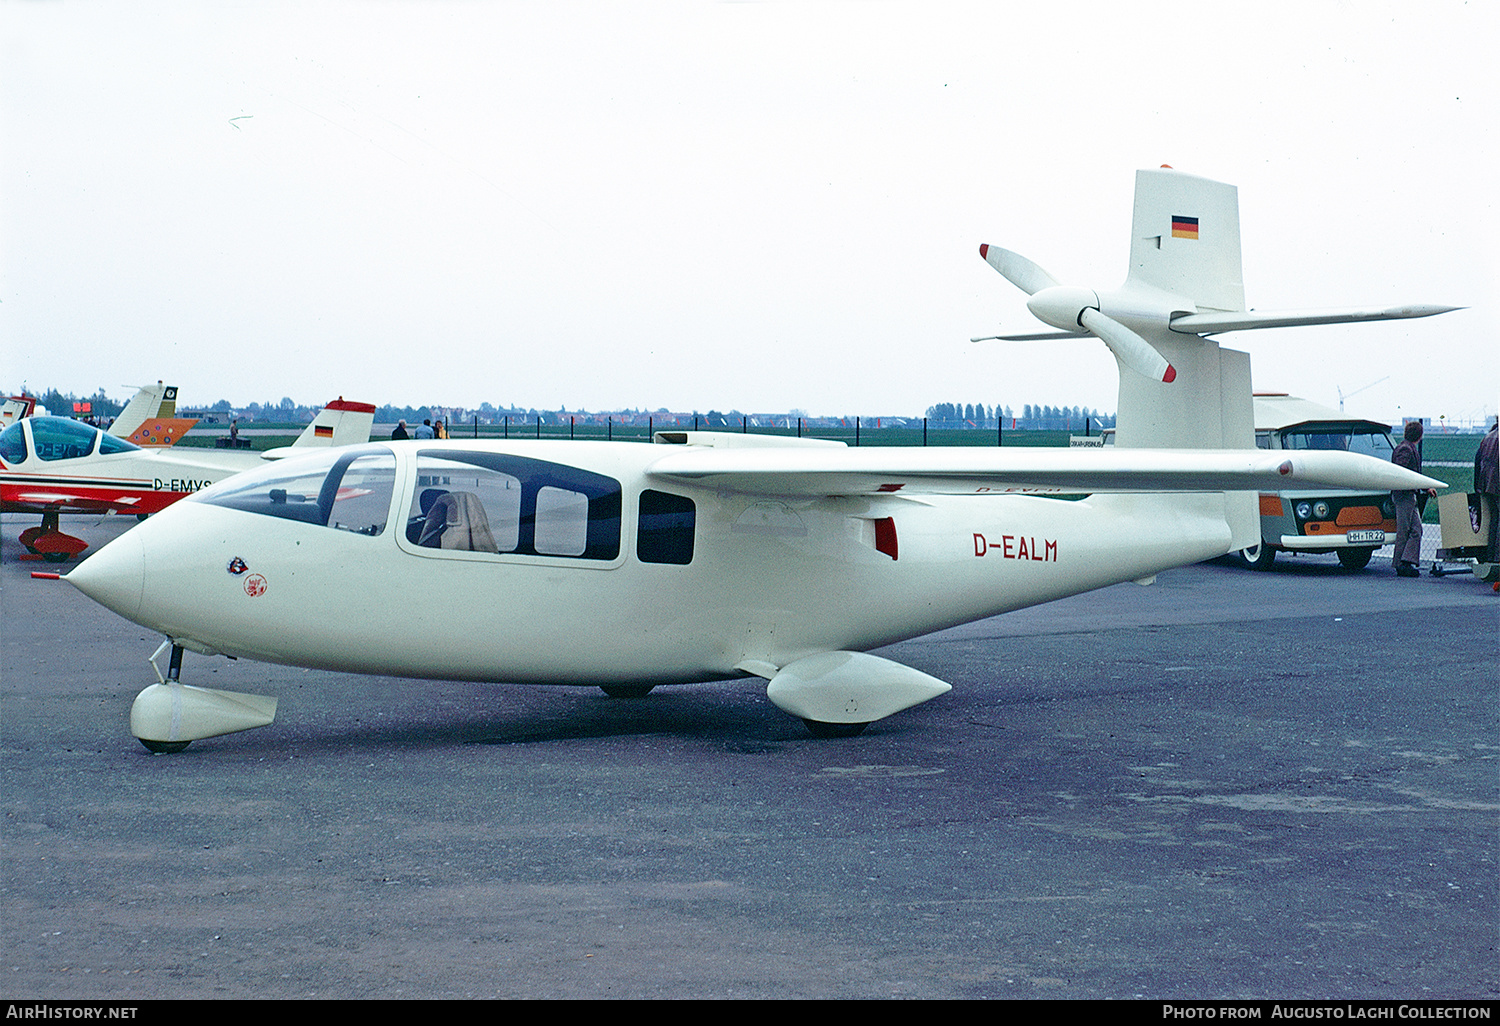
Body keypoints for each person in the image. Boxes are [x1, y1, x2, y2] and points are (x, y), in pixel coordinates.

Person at [1390, 420, 1432, 577]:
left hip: (1408, 495)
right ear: (1419, 435)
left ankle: (1406, 561)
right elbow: (1403, 473)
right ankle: (1401, 563)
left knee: (1416, 530)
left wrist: (1425, 487)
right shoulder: (1406, 450)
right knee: (1405, 530)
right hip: (1404, 495)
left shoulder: (1404, 447)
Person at [1476, 420, 1498, 563]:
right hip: (1497, 484)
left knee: (1494, 520)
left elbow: (1478, 460)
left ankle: (1491, 556)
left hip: (1486, 484)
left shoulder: (1488, 437)